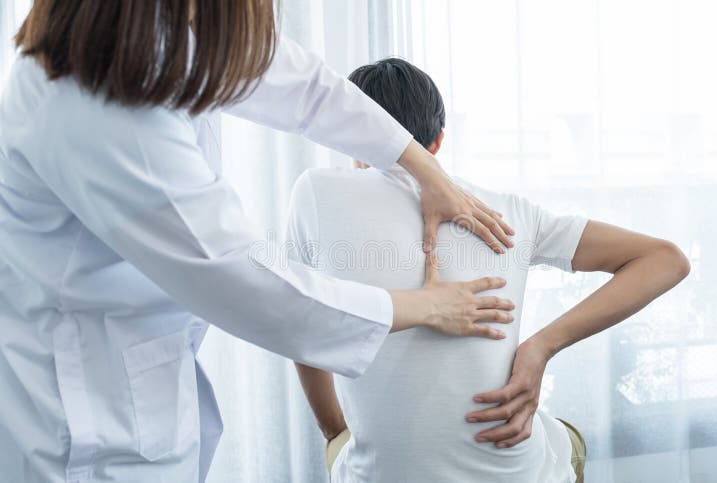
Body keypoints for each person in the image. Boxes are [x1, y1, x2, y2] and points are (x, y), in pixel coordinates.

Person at [0, 2, 519, 482]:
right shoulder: (100, 109)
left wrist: (423, 168)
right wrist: (424, 307)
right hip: (82, 429)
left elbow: (306, 87)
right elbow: (245, 279)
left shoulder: (168, 36)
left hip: (138, 393)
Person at [292, 58, 691, 482]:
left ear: (348, 137)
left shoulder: (317, 192)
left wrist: (335, 431)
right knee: (566, 438)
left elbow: (299, 323)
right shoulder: (510, 214)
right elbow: (667, 260)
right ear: (439, 141)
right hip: (517, 469)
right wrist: (541, 348)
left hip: (380, 474)